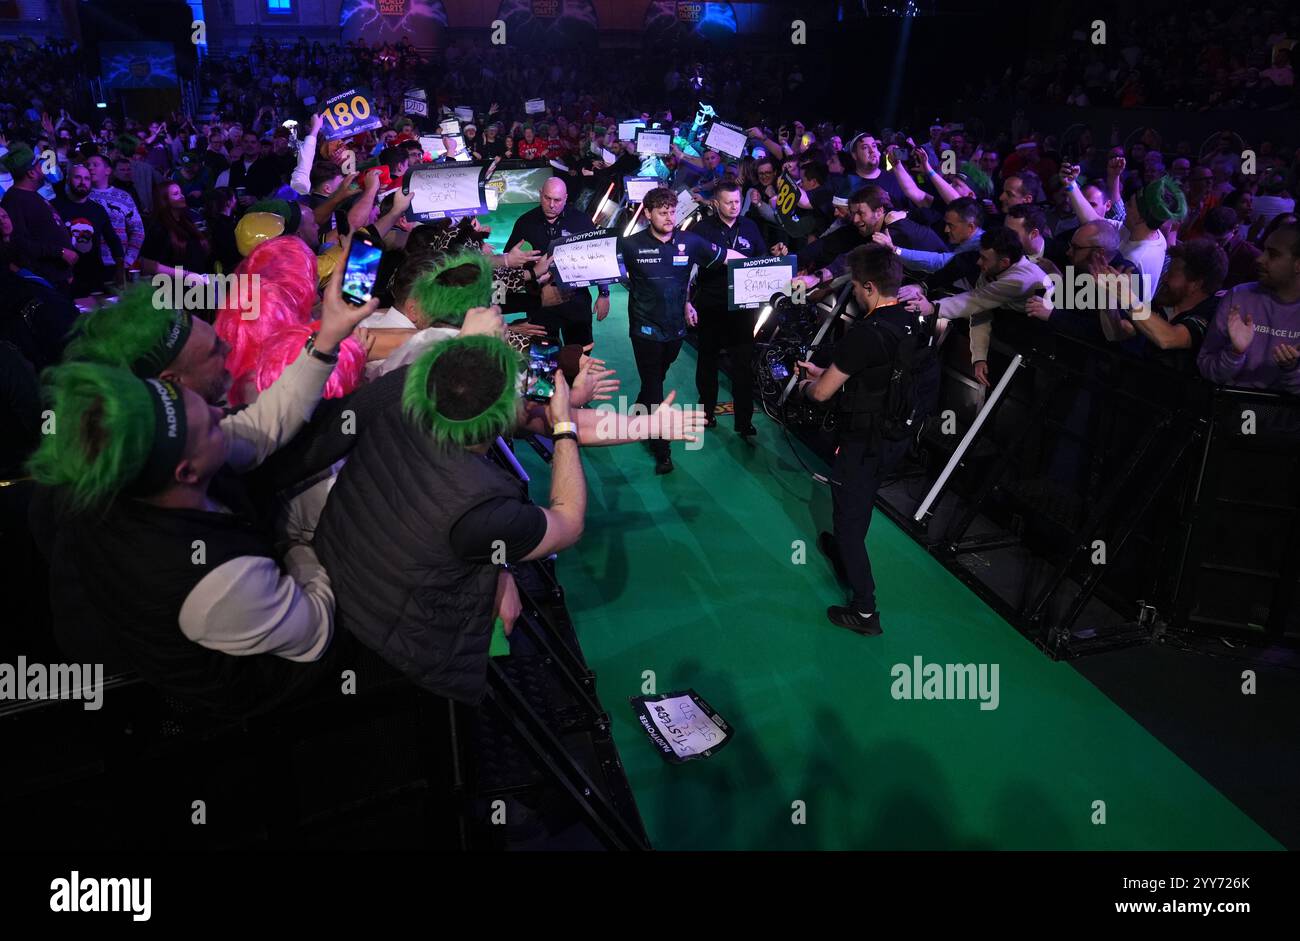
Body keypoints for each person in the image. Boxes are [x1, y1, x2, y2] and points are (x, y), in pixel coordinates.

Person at [26, 269, 380, 716]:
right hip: (269, 683)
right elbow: (316, 628)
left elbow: (259, 426)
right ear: (188, 471)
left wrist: (326, 339)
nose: (226, 420)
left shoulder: (154, 456)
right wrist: (297, 545)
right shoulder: (211, 583)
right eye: (214, 423)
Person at [794, 244, 935, 635]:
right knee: (859, 502)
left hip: (863, 440)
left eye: (856, 285)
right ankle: (843, 550)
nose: (853, 292)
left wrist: (809, 383)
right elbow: (875, 374)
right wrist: (826, 370)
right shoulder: (914, 320)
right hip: (895, 436)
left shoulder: (867, 333)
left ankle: (865, 610)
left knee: (850, 520)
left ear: (869, 286)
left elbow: (822, 394)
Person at [616, 186, 744, 474]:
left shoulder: (690, 242)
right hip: (644, 329)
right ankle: (662, 449)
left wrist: (767, 267)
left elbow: (728, 257)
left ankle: (639, 412)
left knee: (655, 379)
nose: (669, 217)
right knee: (654, 385)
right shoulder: (631, 245)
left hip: (676, 329)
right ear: (647, 214)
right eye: (662, 212)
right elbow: (596, 263)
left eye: (672, 211)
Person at [688, 179, 767, 437]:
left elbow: (762, 260)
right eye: (728, 202)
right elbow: (689, 268)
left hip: (743, 310)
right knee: (707, 362)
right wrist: (687, 302)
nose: (734, 206)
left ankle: (744, 422)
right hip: (711, 306)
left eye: (737, 201)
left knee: (743, 367)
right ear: (715, 203)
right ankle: (706, 412)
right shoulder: (701, 230)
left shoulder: (751, 226)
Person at [504, 176, 610, 346]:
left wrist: (604, 294)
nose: (552, 205)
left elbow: (600, 258)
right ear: (540, 194)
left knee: (579, 355)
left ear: (566, 198)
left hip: (576, 300)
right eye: (547, 198)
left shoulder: (581, 221)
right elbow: (508, 262)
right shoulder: (525, 223)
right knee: (541, 356)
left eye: (557, 200)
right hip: (540, 300)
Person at [1197, 223, 1300, 394]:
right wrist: (1234, 354)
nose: (1260, 259)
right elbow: (1206, 368)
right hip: (1228, 408)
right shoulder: (1239, 296)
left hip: (1278, 416)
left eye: (1273, 255)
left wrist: (1291, 369)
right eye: (1264, 250)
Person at [0, 142, 75, 289]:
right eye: (39, 165)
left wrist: (66, 272)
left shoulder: (32, 195)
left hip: (59, 279)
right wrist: (60, 252)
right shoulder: (14, 200)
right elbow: (18, 243)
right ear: (31, 173)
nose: (44, 168)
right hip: (45, 284)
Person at [51, 161, 124, 296]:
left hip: (93, 276)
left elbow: (113, 240)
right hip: (63, 277)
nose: (82, 182)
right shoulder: (54, 207)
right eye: (78, 177)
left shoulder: (97, 210)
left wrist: (120, 270)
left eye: (87, 178)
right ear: (68, 180)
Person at [140, 181, 212, 280]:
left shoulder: (187, 221)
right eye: (175, 194)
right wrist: (187, 275)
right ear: (164, 199)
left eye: (181, 192)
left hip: (196, 285)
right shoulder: (159, 227)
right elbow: (149, 265)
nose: (181, 196)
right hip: (175, 288)